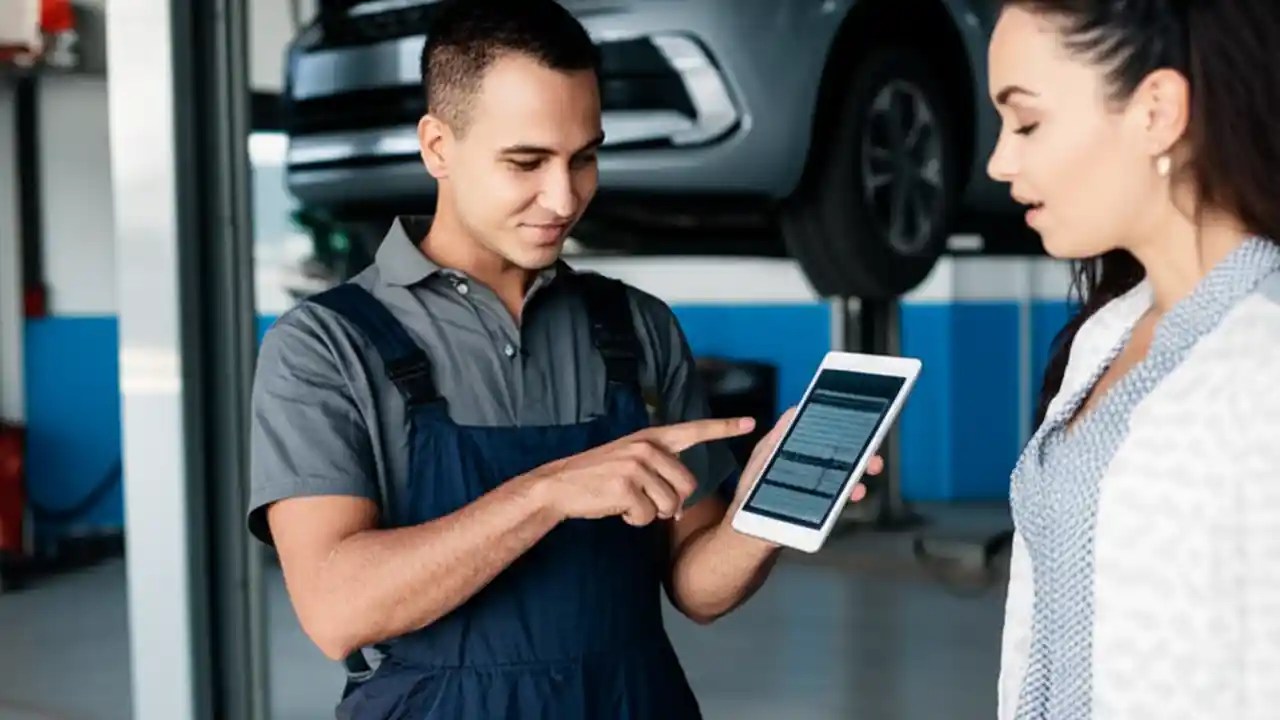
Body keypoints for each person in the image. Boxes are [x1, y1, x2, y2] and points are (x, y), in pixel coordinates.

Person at [247, 1, 876, 718]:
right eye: (526, 161)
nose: (565, 196)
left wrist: (760, 516)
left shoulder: (636, 327)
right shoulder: (325, 345)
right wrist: (547, 493)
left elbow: (696, 590)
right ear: (437, 147)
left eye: (584, 157)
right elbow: (337, 609)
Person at [984, 1, 1280, 718]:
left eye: (1027, 123)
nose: (999, 161)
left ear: (1156, 111)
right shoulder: (1105, 335)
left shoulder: (1263, 364)